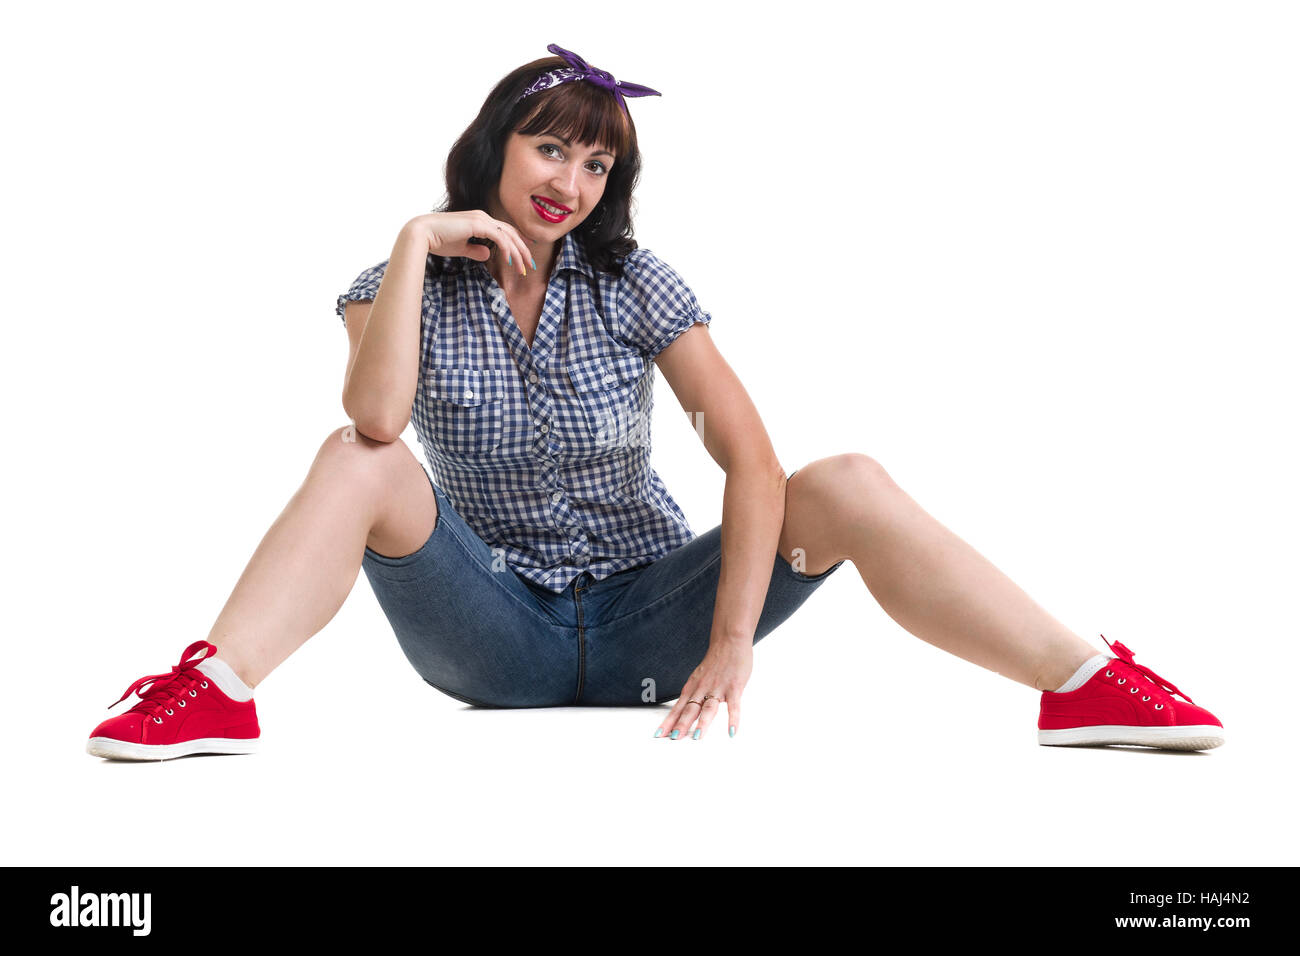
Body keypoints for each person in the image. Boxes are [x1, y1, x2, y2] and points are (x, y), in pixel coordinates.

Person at [87, 44, 1224, 760]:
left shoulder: (635, 281)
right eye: (549, 149)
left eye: (593, 167)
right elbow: (381, 424)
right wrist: (412, 241)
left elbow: (752, 462)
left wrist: (731, 639)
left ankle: (1081, 680)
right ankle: (214, 688)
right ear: (494, 148)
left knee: (848, 479)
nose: (567, 184)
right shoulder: (399, 283)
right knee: (353, 455)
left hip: (651, 619)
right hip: (495, 635)